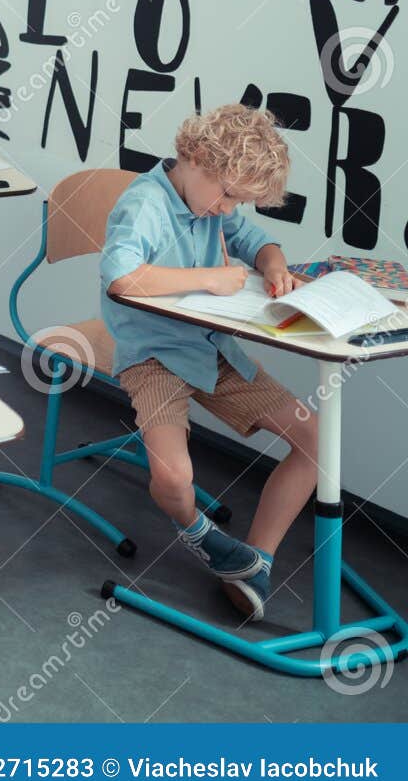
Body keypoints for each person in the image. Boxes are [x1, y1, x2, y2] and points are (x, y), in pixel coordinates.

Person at [102, 104, 319, 621]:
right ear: (195, 157)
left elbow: (254, 240)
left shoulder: (212, 199)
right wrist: (206, 278)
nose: (227, 210)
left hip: (212, 350)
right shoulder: (145, 203)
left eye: (237, 201)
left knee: (318, 443)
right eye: (227, 195)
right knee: (175, 480)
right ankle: (206, 539)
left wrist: (274, 266)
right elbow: (120, 277)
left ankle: (253, 564)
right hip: (153, 357)